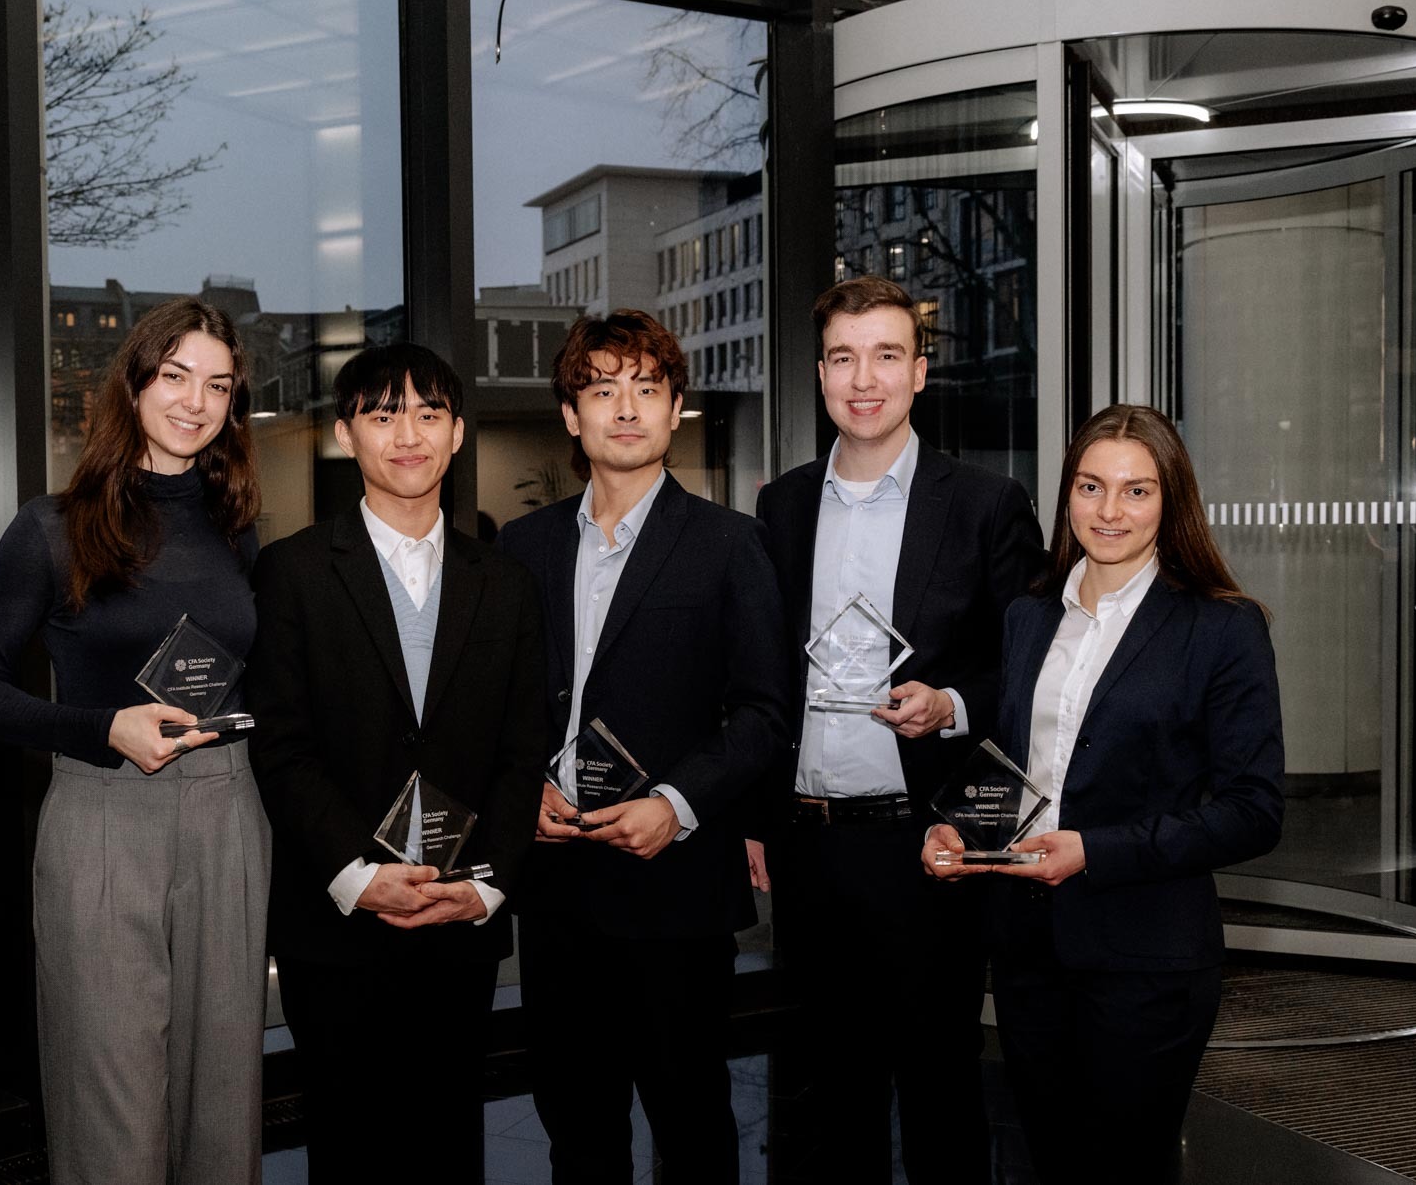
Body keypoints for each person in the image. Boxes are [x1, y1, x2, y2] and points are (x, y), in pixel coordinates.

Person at [0, 297, 267, 1185]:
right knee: (111, 1111)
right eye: (174, 376)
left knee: (224, 1105)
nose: (195, 402)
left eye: (218, 385)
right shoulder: (52, 526)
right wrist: (102, 729)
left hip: (228, 814)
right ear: (132, 383)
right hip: (103, 822)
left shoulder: (237, 527)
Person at [924, 403, 1285, 1184]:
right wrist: (956, 828)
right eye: (1091, 487)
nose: (1109, 511)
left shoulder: (1222, 628)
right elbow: (1017, 765)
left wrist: (1094, 851)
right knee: (1048, 1162)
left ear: (1172, 501)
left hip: (1147, 958)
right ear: (1066, 496)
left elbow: (1254, 809)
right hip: (1027, 953)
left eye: (1136, 491)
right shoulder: (1028, 617)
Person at [752, 275, 1043, 1183]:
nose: (863, 378)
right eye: (844, 358)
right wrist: (758, 815)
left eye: (886, 356)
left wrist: (950, 704)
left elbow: (1030, 667)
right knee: (822, 1098)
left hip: (927, 844)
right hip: (807, 844)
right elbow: (758, 676)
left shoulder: (987, 503)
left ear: (921, 372)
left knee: (939, 1094)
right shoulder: (782, 506)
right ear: (821, 373)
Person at [496, 309, 790, 1184]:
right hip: (555, 887)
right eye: (602, 389)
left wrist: (679, 804)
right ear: (570, 414)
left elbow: (765, 713)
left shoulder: (732, 545)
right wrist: (519, 791)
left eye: (646, 390)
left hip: (676, 889)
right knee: (574, 1128)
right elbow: (503, 706)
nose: (625, 408)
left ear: (674, 411)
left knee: (692, 1123)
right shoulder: (522, 547)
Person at [246, 343, 544, 1183]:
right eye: (382, 414)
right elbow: (282, 744)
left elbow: (525, 755)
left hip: (461, 918)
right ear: (346, 435)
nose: (406, 434)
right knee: (347, 1145)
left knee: (451, 1141)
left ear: (455, 435)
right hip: (335, 922)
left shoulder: (509, 584)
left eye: (428, 413)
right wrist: (358, 871)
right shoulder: (293, 571)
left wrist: (486, 884)